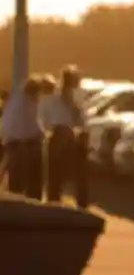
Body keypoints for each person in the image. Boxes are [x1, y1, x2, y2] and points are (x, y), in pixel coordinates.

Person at [41, 67, 88, 207]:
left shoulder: (53, 97)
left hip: (57, 135)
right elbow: (81, 120)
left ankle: (54, 201)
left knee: (56, 172)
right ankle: (79, 203)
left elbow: (45, 118)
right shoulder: (76, 97)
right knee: (77, 173)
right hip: (68, 135)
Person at [1, 77, 46, 199]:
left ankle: (14, 203)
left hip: (11, 144)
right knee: (33, 179)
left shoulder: (13, 101)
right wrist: (43, 134)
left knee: (15, 180)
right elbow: (32, 127)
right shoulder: (29, 103)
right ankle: (34, 204)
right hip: (26, 145)